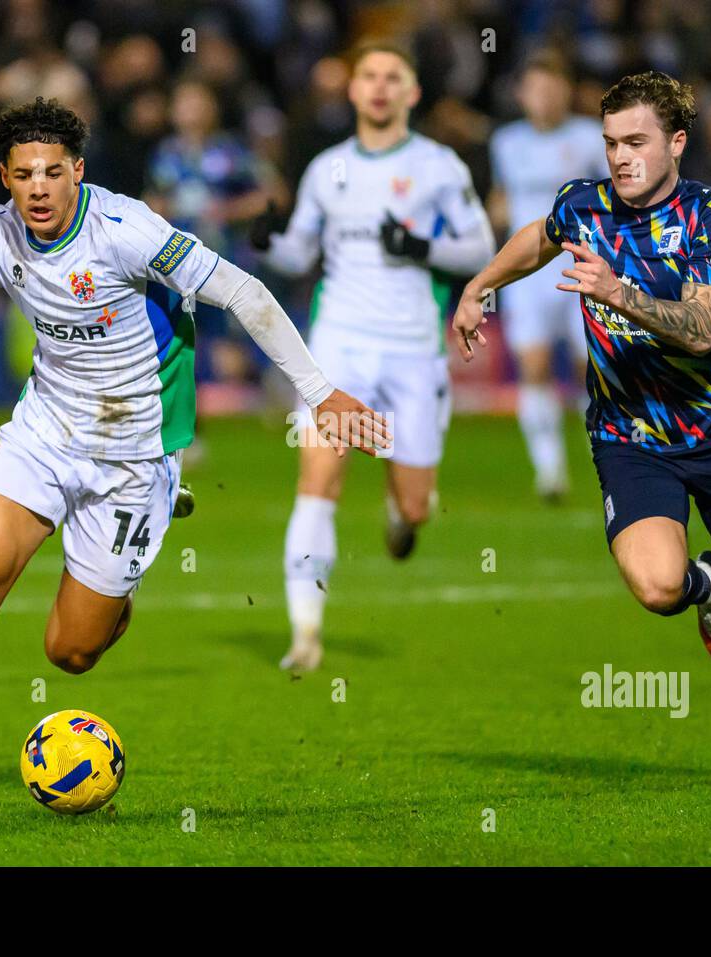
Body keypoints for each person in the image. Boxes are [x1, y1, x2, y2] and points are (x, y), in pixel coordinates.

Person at [0, 97, 387, 801]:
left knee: (70, 652)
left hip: (132, 453)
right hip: (45, 431)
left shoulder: (128, 229)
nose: (37, 187)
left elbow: (245, 293)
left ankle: (143, 537)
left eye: (51, 172)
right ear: (5, 178)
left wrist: (320, 392)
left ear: (77, 171)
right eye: (22, 174)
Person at [452, 72, 711, 783]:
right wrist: (480, 287)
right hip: (628, 435)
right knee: (657, 587)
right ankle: (706, 589)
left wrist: (618, 291)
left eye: (636, 142)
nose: (620, 157)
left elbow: (705, 328)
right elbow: (540, 237)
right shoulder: (582, 204)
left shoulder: (710, 215)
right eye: (611, 142)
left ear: (676, 143)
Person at [251, 43, 495, 672]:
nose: (380, 88)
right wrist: (268, 240)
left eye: (394, 78)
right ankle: (305, 633)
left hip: (414, 349)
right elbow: (298, 255)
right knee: (318, 482)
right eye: (369, 77)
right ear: (353, 90)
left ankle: (402, 511)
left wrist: (418, 246)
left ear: (412, 94)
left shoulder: (439, 166)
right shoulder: (326, 169)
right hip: (338, 347)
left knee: (416, 507)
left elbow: (480, 248)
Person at [488, 51, 605, 500]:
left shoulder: (591, 139)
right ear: (522, 95)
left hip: (581, 268)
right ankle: (550, 472)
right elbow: (500, 199)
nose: (544, 98)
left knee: (588, 371)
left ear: (567, 93)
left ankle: (606, 460)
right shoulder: (506, 142)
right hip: (527, 275)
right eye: (536, 89)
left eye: (553, 89)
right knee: (533, 367)